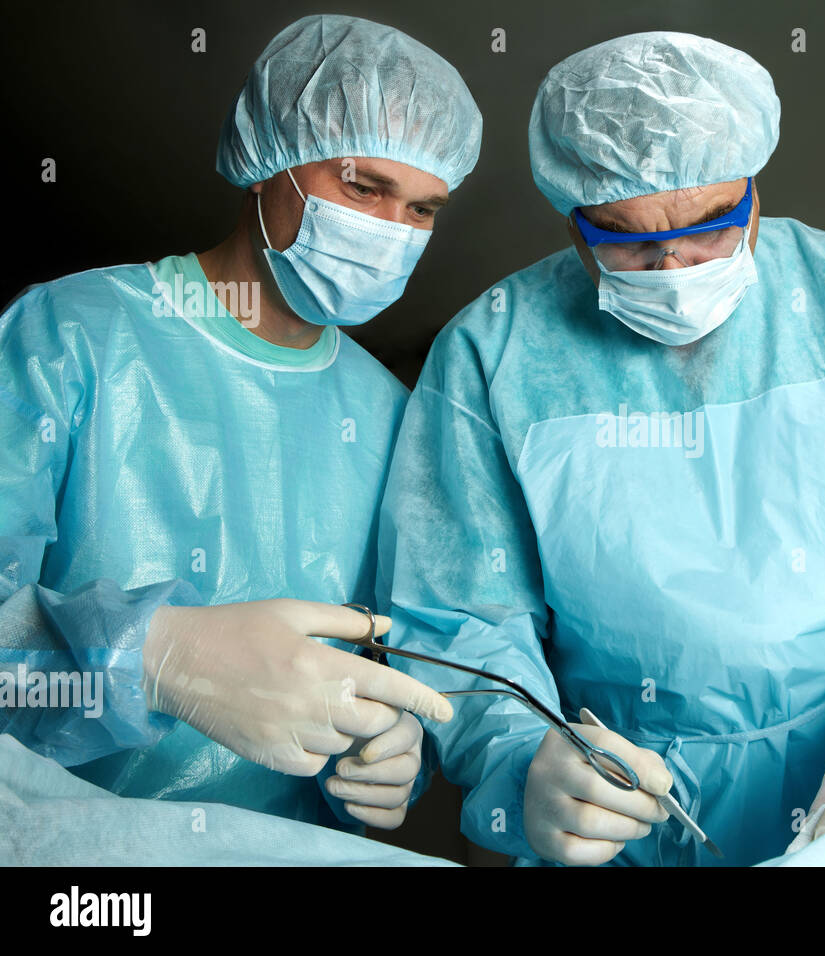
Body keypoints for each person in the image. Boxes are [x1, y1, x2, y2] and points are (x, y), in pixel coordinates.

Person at [378, 32, 825, 866]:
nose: (674, 267)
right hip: (622, 812)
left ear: (753, 189)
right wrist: (521, 758)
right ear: (574, 224)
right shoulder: (494, 352)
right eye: (628, 241)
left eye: (711, 227)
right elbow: (462, 614)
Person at [0, 14, 482, 831]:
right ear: (267, 161)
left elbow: (396, 652)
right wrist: (150, 660)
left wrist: (388, 747)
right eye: (361, 187)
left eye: (423, 208)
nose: (388, 232)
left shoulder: (393, 418)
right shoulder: (69, 335)